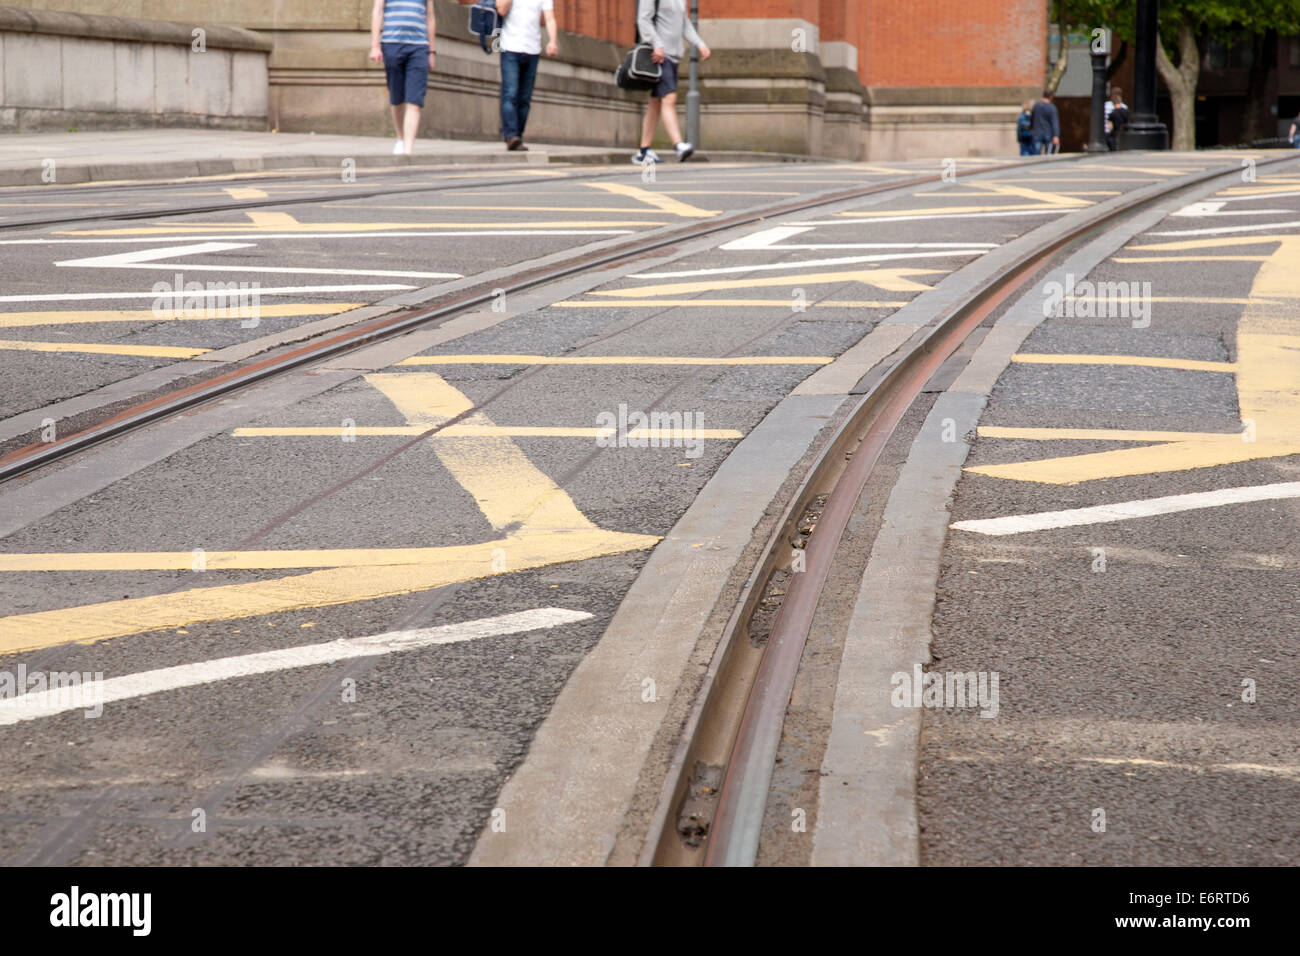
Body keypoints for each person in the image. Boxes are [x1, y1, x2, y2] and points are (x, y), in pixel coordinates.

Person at [633, 0, 710, 164]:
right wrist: (657, 44)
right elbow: (643, 19)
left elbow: (684, 23)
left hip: (673, 56)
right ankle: (678, 145)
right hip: (660, 56)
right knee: (669, 98)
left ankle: (643, 151)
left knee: (655, 103)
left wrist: (699, 44)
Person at [369, 0, 435, 157]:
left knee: (415, 101)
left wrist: (432, 51)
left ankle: (408, 150)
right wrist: (375, 46)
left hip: (419, 46)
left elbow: (430, 16)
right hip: (392, 43)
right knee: (397, 98)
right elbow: (377, 11)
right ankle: (400, 138)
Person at [497, 0, 558, 151]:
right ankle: (511, 136)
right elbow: (501, 10)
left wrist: (553, 41)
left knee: (524, 99)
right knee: (510, 93)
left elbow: (549, 18)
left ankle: (517, 135)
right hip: (510, 46)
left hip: (532, 49)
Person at [1030, 89, 1060, 155]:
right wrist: (1056, 135)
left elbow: (1032, 118)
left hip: (1037, 132)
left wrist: (1031, 128)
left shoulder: (1036, 106)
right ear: (1050, 97)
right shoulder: (1052, 108)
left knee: (1036, 154)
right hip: (1048, 133)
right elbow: (1055, 122)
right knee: (1048, 154)